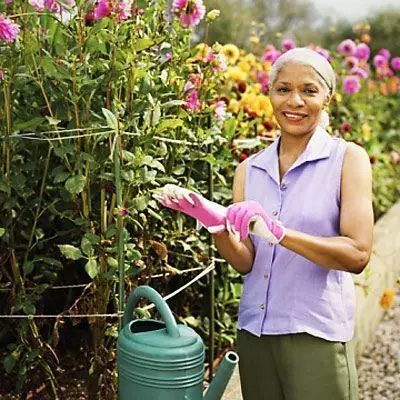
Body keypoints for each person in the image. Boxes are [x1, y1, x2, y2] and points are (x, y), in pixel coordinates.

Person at [155, 47, 373, 400]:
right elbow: (246, 262)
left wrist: (281, 234)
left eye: (309, 90)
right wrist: (216, 225)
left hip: (315, 333)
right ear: (270, 95)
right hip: (256, 335)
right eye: (283, 89)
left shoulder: (347, 160)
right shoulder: (250, 169)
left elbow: (358, 253)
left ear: (328, 98)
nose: (295, 101)